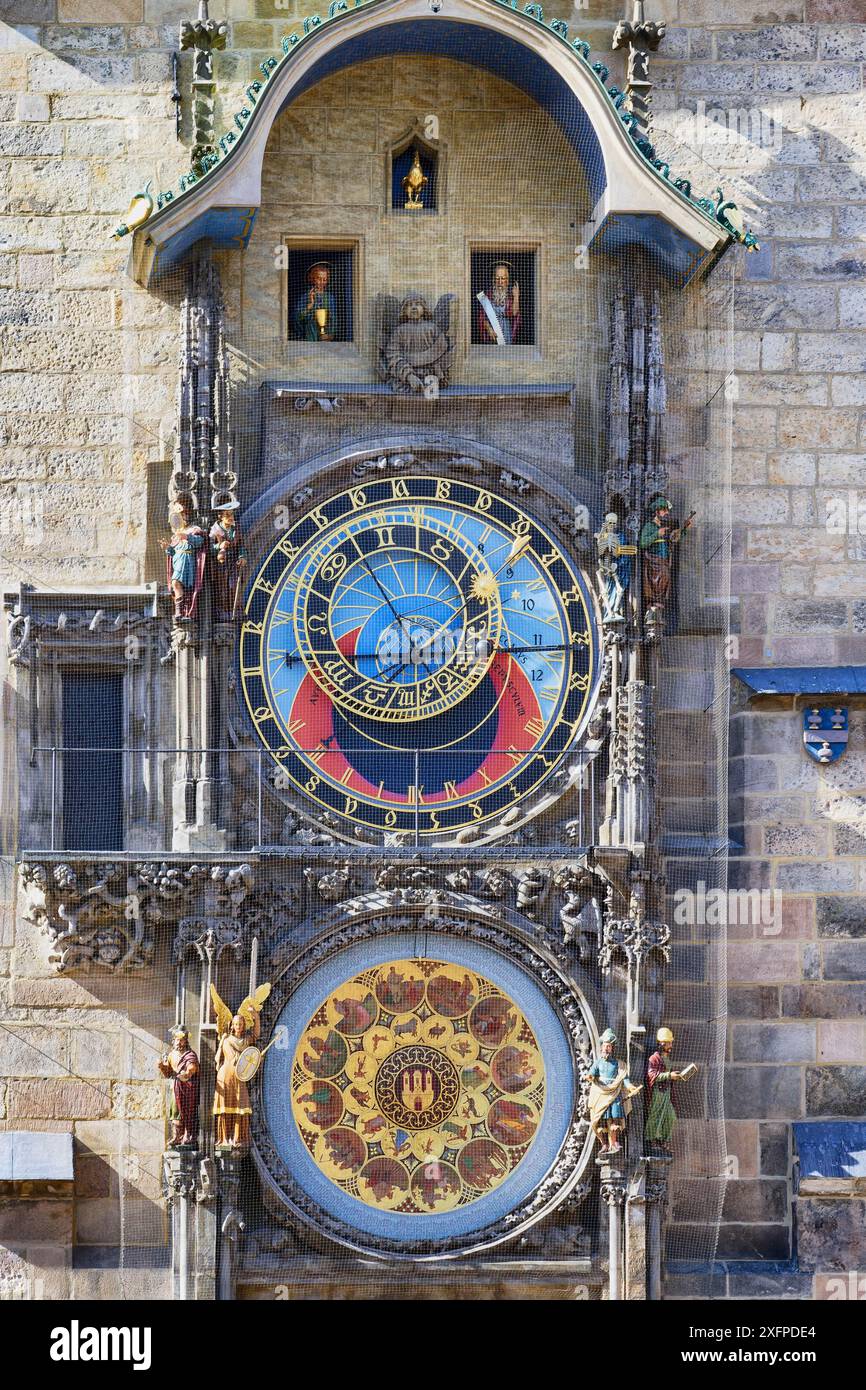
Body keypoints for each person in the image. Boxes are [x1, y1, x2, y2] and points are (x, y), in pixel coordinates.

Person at [383, 292, 452, 394]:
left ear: (424, 308)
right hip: (405, 378)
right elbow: (393, 356)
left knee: (431, 400)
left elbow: (441, 353)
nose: (414, 307)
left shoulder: (432, 328)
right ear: (404, 311)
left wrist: (439, 373)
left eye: (418, 304)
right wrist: (409, 376)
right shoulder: (400, 331)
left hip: (430, 376)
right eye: (410, 305)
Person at [588, 1028, 640, 1156]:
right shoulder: (598, 1063)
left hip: (614, 1093)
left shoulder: (618, 1064)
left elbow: (624, 1078)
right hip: (601, 1093)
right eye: (605, 1046)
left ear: (612, 1048)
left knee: (615, 1118)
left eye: (609, 1046)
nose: (606, 1049)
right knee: (601, 1120)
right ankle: (604, 1144)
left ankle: (614, 1142)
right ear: (601, 1048)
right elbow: (591, 1074)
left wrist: (630, 1087)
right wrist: (589, 1077)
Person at [645, 1026, 697, 1154]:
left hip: (666, 1092)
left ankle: (662, 1141)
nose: (671, 1045)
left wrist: (677, 1076)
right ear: (661, 1043)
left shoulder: (666, 1059)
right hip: (658, 1092)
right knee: (656, 1116)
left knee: (670, 1117)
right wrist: (669, 1075)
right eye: (669, 1043)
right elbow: (651, 1075)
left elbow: (668, 1074)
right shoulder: (654, 1058)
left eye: (671, 1042)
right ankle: (653, 1141)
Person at [639, 495, 693, 607]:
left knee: (665, 579)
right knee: (656, 582)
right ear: (657, 511)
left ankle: (659, 602)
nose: (666, 513)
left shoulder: (666, 527)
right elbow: (643, 543)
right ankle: (653, 603)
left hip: (664, 561)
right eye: (664, 510)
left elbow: (673, 539)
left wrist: (684, 529)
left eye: (667, 510)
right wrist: (657, 534)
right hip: (653, 562)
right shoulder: (649, 526)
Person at [159, 493, 206, 620]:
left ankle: (184, 609)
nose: (182, 518)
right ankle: (179, 610)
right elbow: (172, 552)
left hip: (188, 562)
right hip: (178, 561)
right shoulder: (176, 535)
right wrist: (167, 548)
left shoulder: (193, 529)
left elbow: (200, 542)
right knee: (175, 583)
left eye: (184, 515)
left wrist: (187, 537)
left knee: (180, 584)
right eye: (180, 516)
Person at [157, 1026, 200, 1147]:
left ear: (186, 1041)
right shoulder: (171, 1055)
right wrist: (161, 1066)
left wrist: (188, 1072)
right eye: (177, 1040)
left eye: (182, 1040)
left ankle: (188, 1134)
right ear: (174, 1040)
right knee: (175, 1111)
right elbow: (168, 1073)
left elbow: (192, 1066)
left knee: (187, 1111)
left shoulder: (190, 1054)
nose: (179, 1042)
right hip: (176, 1086)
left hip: (188, 1087)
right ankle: (177, 1136)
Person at [209, 502, 246, 620]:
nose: (231, 517)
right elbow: (209, 548)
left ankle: (236, 610)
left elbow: (241, 546)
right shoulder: (215, 531)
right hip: (221, 565)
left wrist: (241, 556)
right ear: (220, 516)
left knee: (234, 586)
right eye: (227, 515)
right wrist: (219, 546)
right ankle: (224, 611)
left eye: (231, 514)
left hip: (233, 563)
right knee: (223, 588)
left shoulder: (236, 529)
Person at [476, 261, 521, 345]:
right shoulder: (488, 295)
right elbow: (482, 317)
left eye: (503, 278)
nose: (500, 282)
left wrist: (516, 297)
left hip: (506, 332)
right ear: (493, 280)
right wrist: (489, 329)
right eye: (497, 278)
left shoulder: (510, 295)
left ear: (507, 280)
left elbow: (514, 313)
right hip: (492, 331)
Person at [293, 261, 337, 341]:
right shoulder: (305, 297)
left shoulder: (330, 297)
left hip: (325, 337)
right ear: (312, 279)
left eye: (325, 279)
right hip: (310, 333)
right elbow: (296, 319)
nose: (322, 282)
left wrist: (330, 334)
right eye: (319, 279)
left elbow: (333, 318)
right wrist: (309, 306)